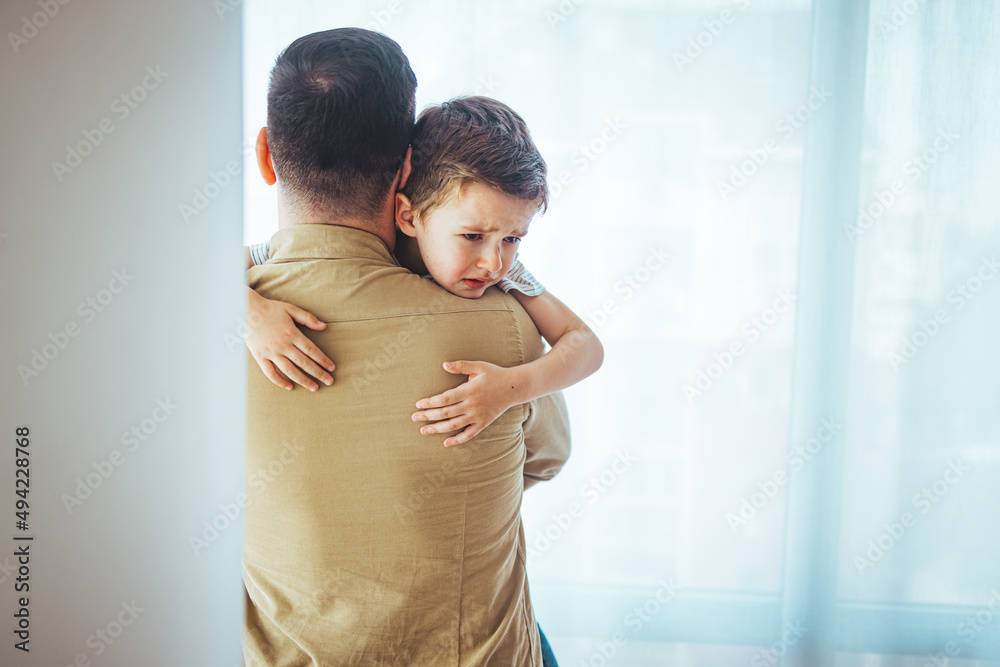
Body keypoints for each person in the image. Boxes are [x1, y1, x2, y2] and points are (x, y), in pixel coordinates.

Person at [243, 28, 574, 666]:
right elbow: (546, 458)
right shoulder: (502, 323)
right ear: (408, 172)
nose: (495, 259)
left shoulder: (199, 319)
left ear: (265, 155)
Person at [246, 95, 604, 448]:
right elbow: (219, 267)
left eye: (512, 238)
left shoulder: (510, 273)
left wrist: (510, 389)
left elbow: (585, 344)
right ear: (408, 217)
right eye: (472, 236)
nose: (494, 263)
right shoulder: (366, 247)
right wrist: (253, 314)